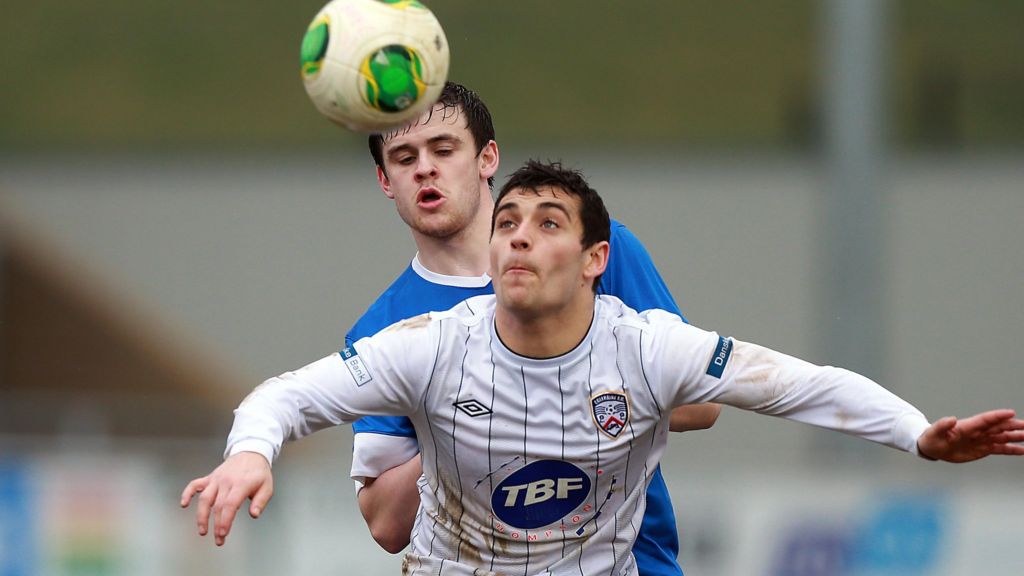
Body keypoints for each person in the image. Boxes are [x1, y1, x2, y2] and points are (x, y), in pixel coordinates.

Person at [182, 159, 1024, 576]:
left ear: (596, 260)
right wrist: (251, 451)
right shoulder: (433, 345)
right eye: (508, 221)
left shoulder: (649, 348)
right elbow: (287, 395)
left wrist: (918, 434)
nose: (519, 235)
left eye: (548, 222)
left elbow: (807, 385)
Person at [347, 82, 717, 576]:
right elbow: (386, 526)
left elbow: (701, 403)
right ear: (385, 180)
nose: (424, 169)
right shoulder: (380, 332)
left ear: (487, 158)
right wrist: (459, 429)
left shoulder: (587, 248)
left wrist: (549, 395)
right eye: (404, 157)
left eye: (444, 149)